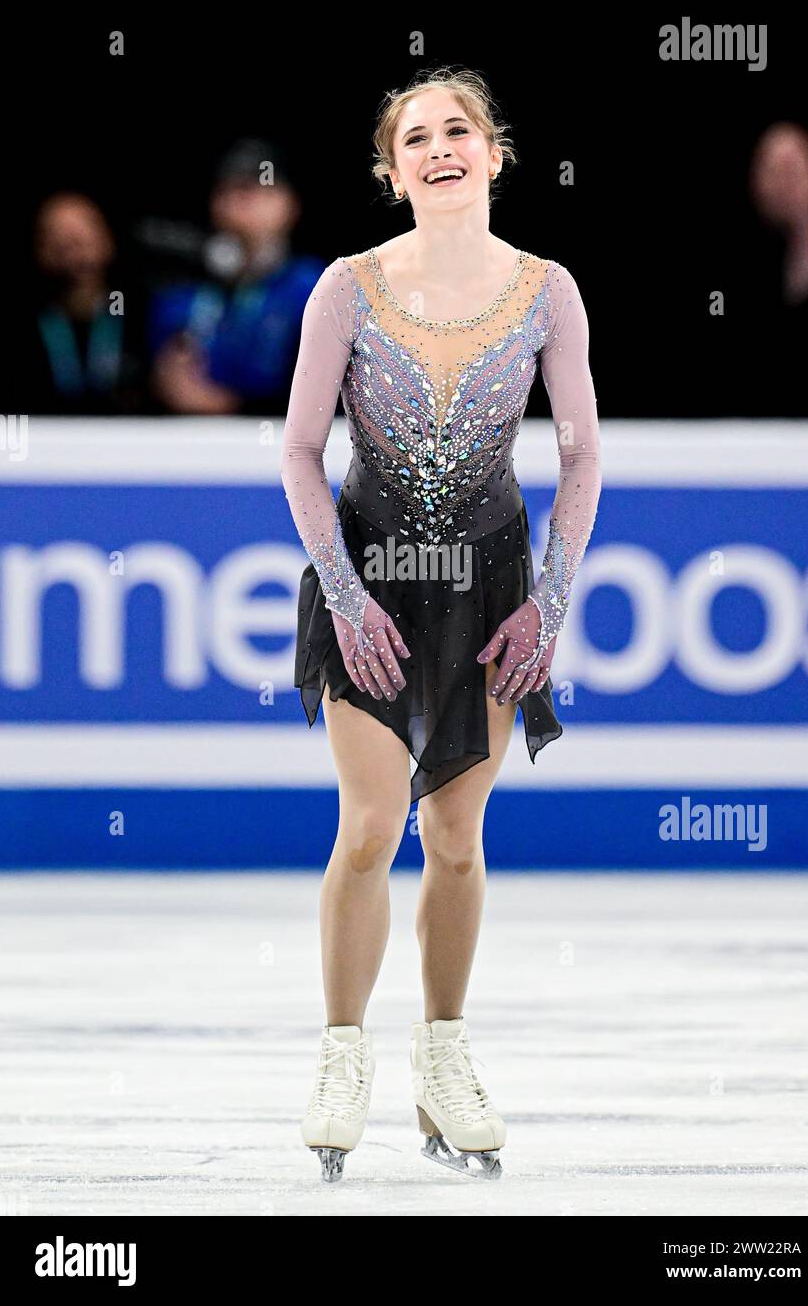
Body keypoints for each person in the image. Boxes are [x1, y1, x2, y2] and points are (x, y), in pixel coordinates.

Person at [281, 68, 602, 1181]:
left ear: (494, 153)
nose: (438, 148)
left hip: (489, 586)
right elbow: (297, 452)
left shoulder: (548, 291)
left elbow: (578, 455)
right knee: (371, 826)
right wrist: (341, 589)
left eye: (456, 129)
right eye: (414, 137)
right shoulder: (346, 288)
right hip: (363, 576)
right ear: (391, 170)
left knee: (456, 838)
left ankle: (444, 1052)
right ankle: (339, 1049)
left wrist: (548, 599)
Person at [146, 139, 325, 415]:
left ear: (289, 204)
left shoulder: (313, 286)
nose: (241, 203)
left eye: (256, 190)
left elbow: (326, 388)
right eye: (228, 191)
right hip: (186, 442)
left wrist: (229, 405)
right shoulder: (182, 291)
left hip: (276, 441)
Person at [21, 193, 148, 416]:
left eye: (81, 236)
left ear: (107, 239)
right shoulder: (30, 323)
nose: (71, 250)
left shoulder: (139, 315)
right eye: (56, 236)